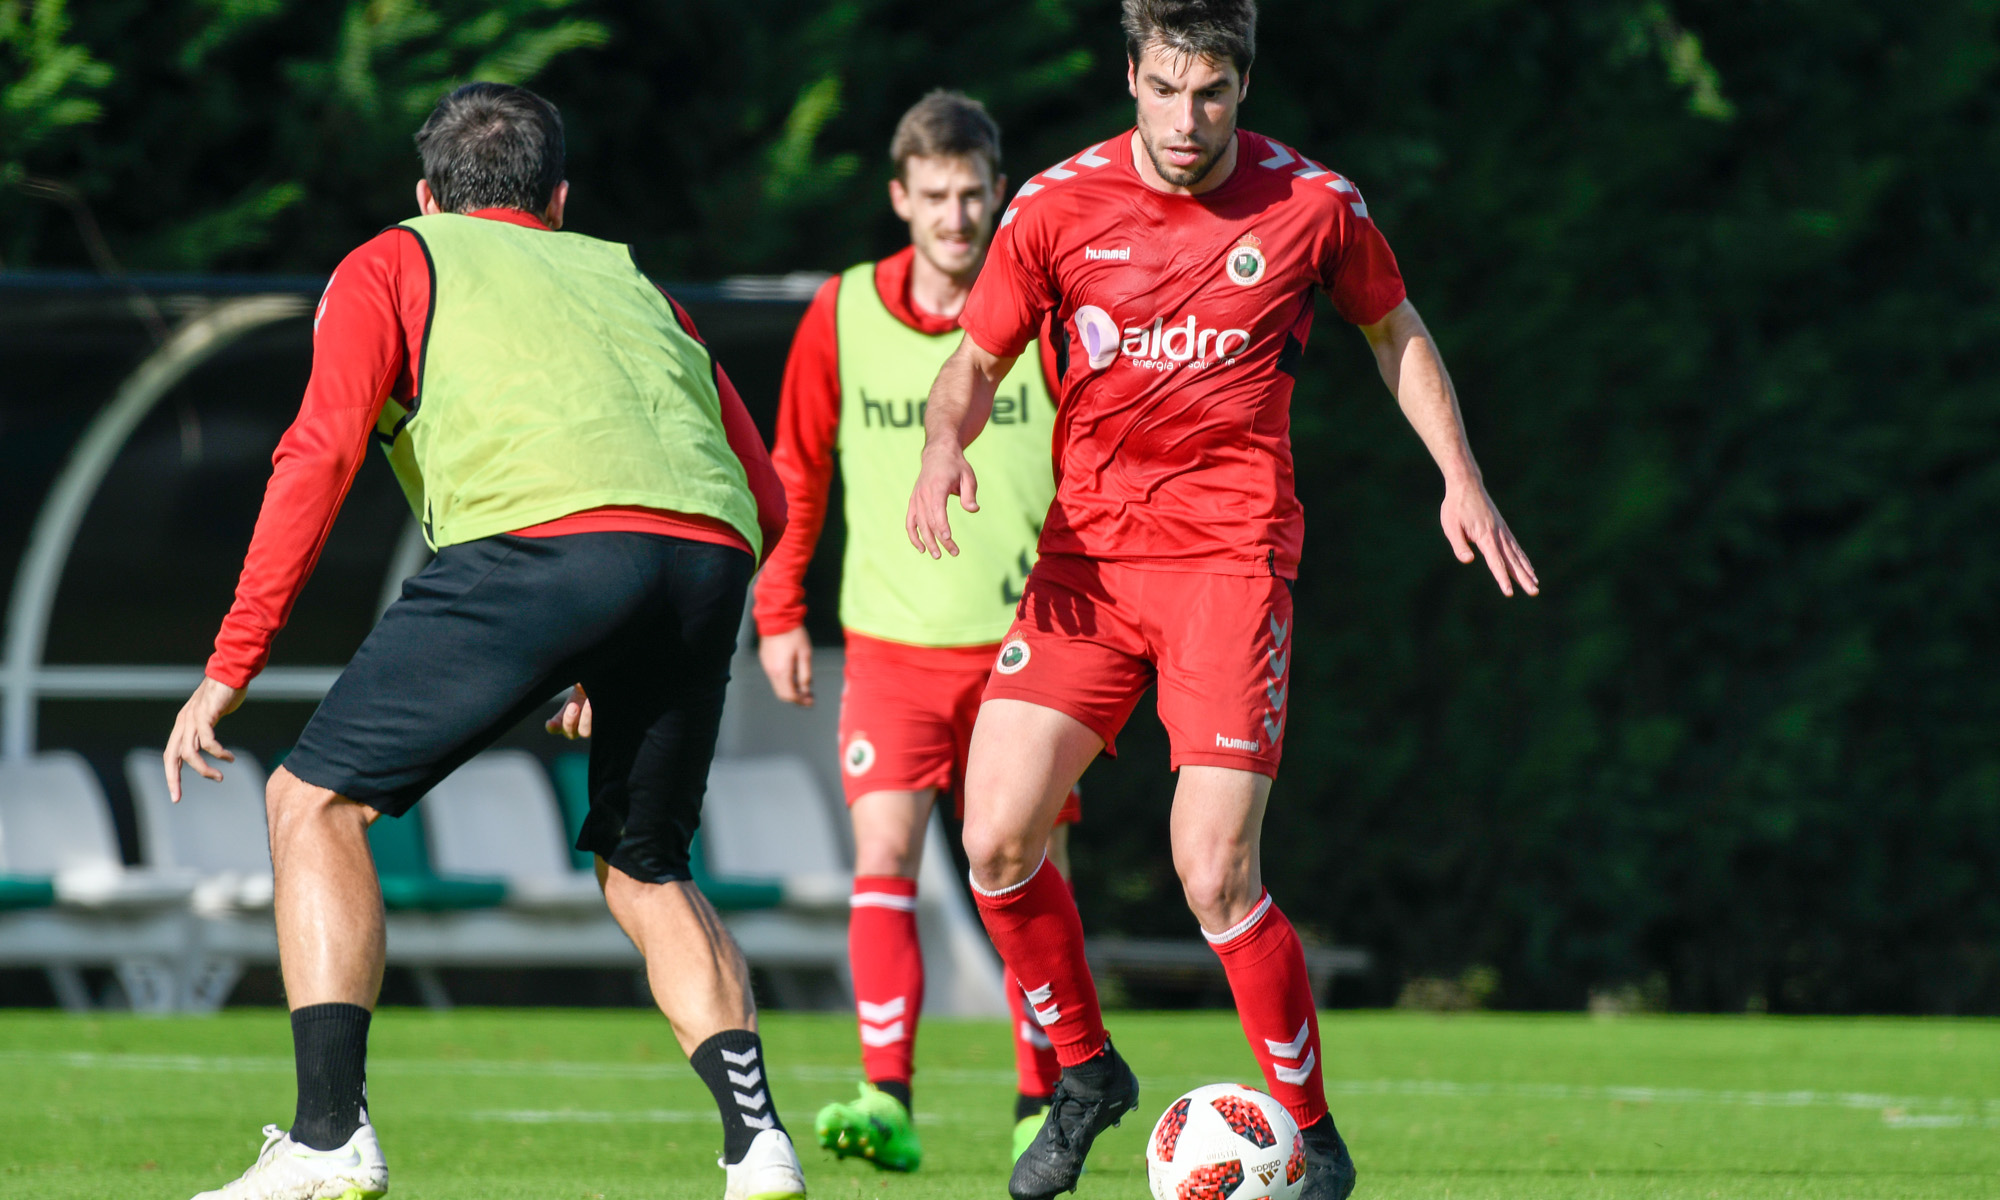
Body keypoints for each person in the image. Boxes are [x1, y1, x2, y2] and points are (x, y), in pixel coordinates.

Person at [905, 2, 1540, 1197]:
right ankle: (1086, 1074)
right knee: (993, 837)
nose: (1185, 119)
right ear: (1130, 79)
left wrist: (1459, 478)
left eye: (1210, 93)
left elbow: (1392, 330)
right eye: (1163, 89)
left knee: (1211, 871)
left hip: (1228, 570)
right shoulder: (1052, 205)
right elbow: (972, 365)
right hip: (1084, 568)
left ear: (1242, 86)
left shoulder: (1314, 206)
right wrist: (945, 448)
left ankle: (1312, 1132)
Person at [162, 83, 806, 1200]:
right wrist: (626, 625)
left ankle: (326, 1139)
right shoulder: (631, 278)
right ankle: (759, 1149)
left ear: (425, 196)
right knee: (645, 863)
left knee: (310, 803)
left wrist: (231, 664)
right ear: (558, 199)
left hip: (545, 551)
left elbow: (316, 458)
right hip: (708, 558)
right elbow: (767, 498)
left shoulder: (393, 260)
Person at [750, 90, 1078, 1171]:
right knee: (881, 856)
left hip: (1031, 643)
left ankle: (1046, 1097)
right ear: (899, 197)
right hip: (889, 641)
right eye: (932, 196)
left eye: (971, 193)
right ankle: (884, 1098)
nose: (954, 215)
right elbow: (791, 469)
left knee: (1030, 865)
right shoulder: (840, 312)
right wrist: (779, 611)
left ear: (997, 192)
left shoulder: (1045, 311)